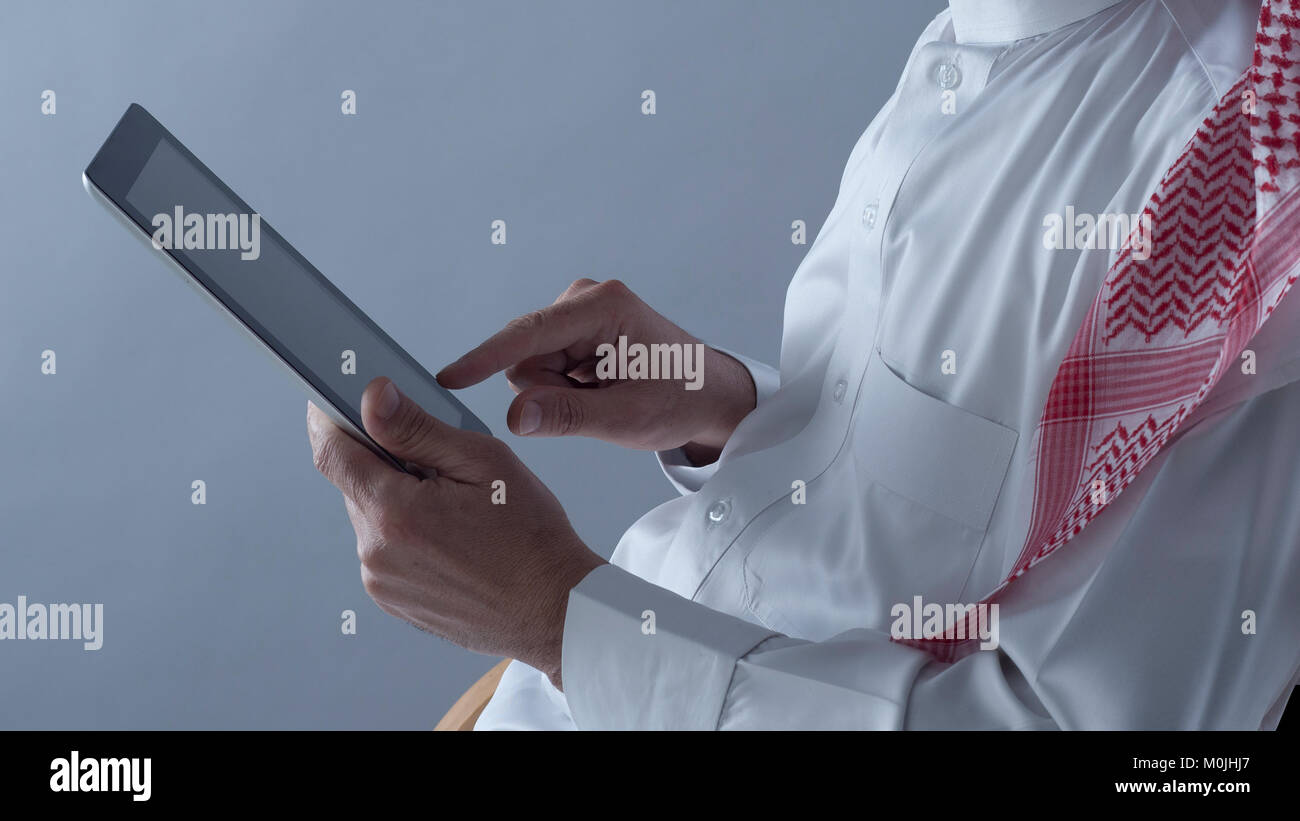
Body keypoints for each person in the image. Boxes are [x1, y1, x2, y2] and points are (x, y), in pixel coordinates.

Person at [305, 0, 1300, 729]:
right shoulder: (992, 26)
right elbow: (972, 487)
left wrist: (557, 615)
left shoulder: (1241, 201)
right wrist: (724, 405)